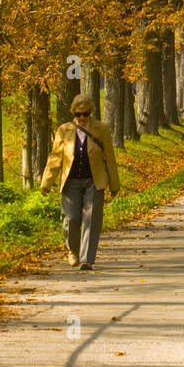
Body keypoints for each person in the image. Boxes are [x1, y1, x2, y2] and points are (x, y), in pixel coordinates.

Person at [40, 94, 120, 271]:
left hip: (94, 180)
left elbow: (110, 158)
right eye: (78, 114)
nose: (82, 118)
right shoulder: (64, 130)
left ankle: (86, 259)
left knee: (91, 219)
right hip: (71, 181)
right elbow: (55, 158)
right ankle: (73, 251)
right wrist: (46, 182)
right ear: (73, 113)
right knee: (71, 218)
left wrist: (114, 185)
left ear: (90, 112)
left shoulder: (101, 129)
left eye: (85, 114)